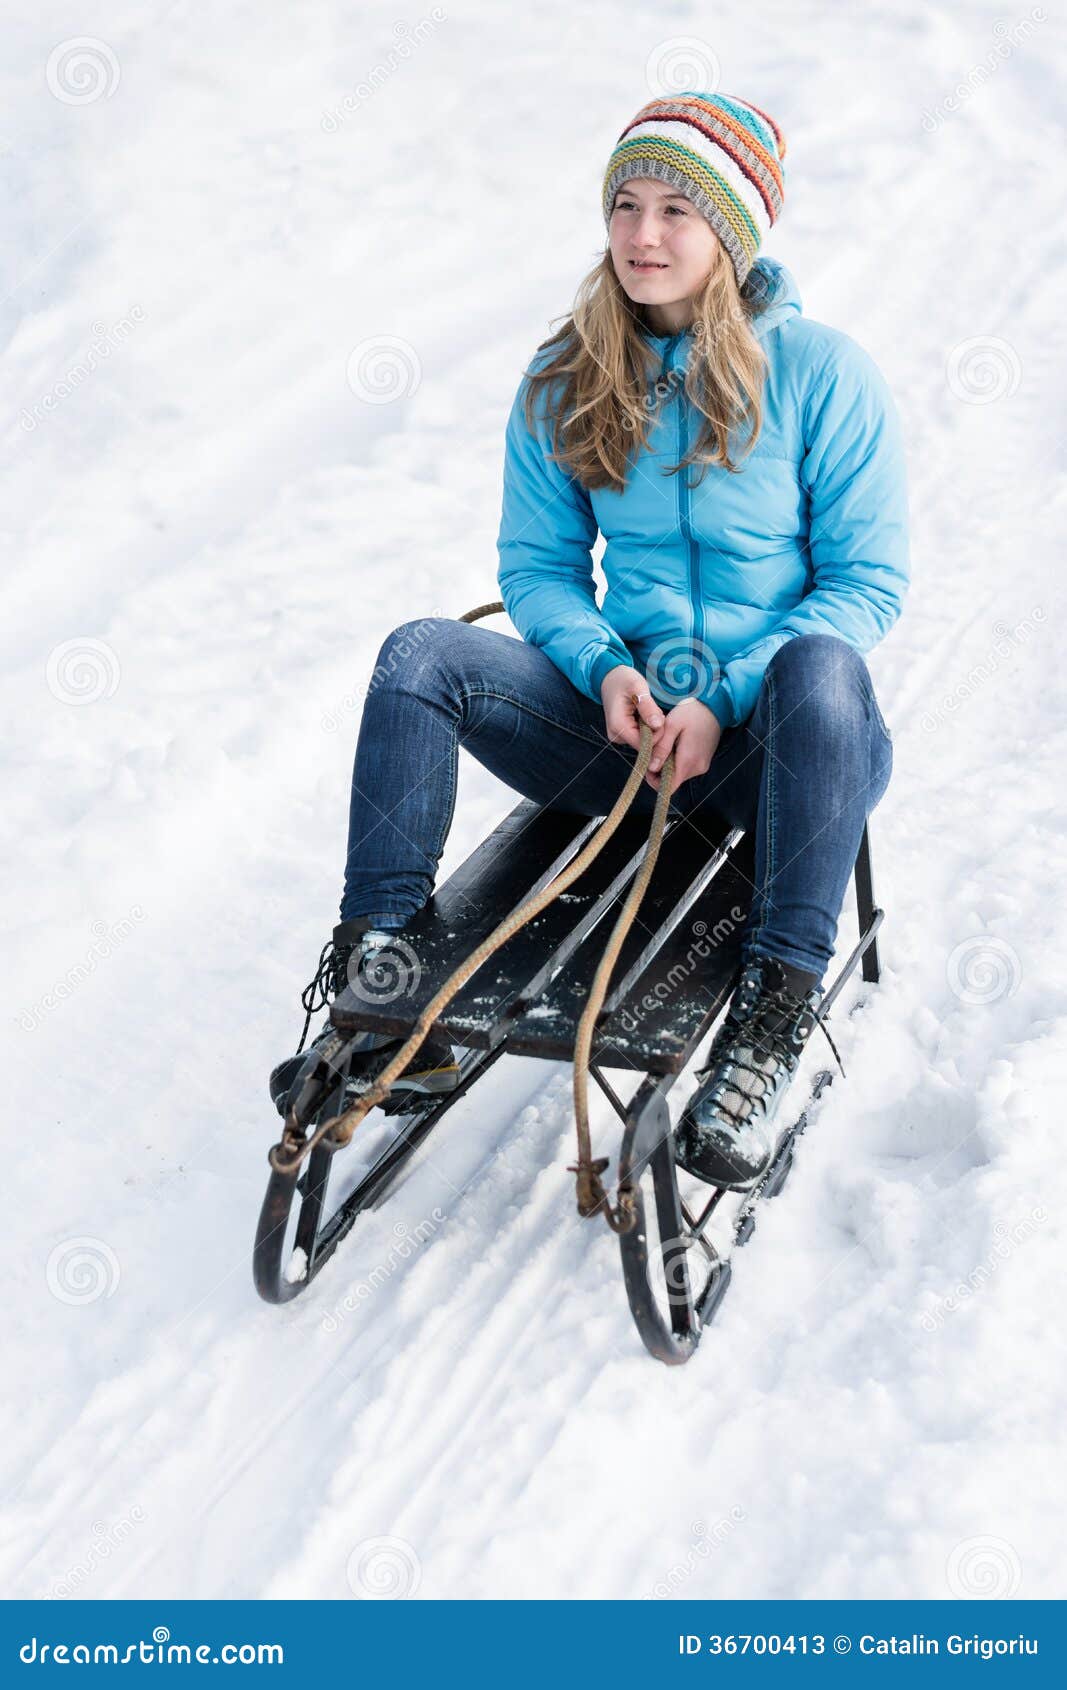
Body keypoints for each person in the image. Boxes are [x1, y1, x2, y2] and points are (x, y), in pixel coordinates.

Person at [270, 90, 908, 1190]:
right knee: (420, 655)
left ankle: (769, 1025)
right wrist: (606, 668)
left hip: (781, 754)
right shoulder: (566, 373)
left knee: (819, 665)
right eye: (625, 204)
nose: (642, 234)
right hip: (624, 742)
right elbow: (538, 572)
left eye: (676, 210)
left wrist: (727, 697)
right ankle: (378, 995)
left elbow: (866, 583)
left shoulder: (822, 375)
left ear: (732, 236)